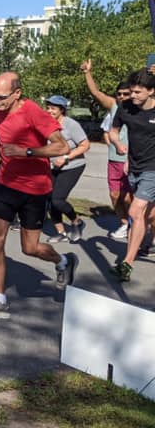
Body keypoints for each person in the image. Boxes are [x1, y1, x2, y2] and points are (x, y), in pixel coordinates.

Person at [0, 72, 76, 320]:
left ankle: (63, 261)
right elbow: (3, 140)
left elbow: (62, 147)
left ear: (17, 93)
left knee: (29, 248)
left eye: (1, 97)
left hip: (35, 188)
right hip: (5, 183)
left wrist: (27, 151)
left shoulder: (34, 113)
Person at [109, 68, 155, 282]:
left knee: (136, 212)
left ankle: (127, 263)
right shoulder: (124, 108)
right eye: (131, 91)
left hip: (153, 170)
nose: (132, 96)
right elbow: (113, 131)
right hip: (135, 167)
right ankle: (149, 240)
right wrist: (118, 144)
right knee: (149, 216)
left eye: (138, 92)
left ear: (151, 91)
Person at [81, 59, 133, 239]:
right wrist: (87, 72)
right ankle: (125, 224)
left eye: (126, 94)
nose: (122, 96)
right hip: (114, 160)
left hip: (132, 160)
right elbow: (95, 92)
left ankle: (136, 223)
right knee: (114, 195)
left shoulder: (140, 109)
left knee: (128, 197)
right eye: (119, 93)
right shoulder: (114, 107)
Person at [43, 95, 90, 244]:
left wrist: (66, 158)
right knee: (50, 200)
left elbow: (85, 145)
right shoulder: (46, 124)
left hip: (72, 166)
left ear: (62, 110)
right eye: (48, 107)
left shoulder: (71, 124)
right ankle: (61, 232)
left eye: (53, 108)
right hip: (52, 166)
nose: (49, 111)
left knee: (58, 199)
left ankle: (76, 222)